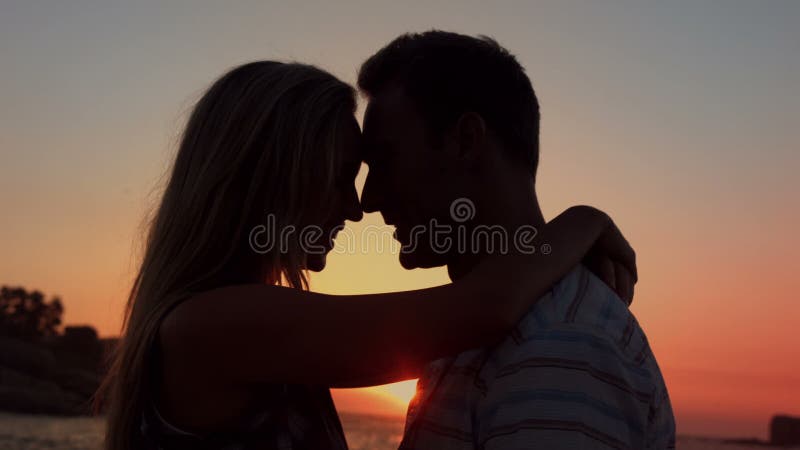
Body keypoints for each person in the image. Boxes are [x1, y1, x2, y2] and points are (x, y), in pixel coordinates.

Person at [97, 60, 637, 450]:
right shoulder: (215, 324)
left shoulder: (222, 321)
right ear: (275, 178)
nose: (358, 207)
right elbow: (483, 306)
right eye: (339, 178)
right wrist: (584, 220)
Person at [358, 31, 675, 449]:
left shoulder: (560, 346)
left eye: (385, 160)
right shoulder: (472, 325)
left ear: (467, 140)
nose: (368, 199)